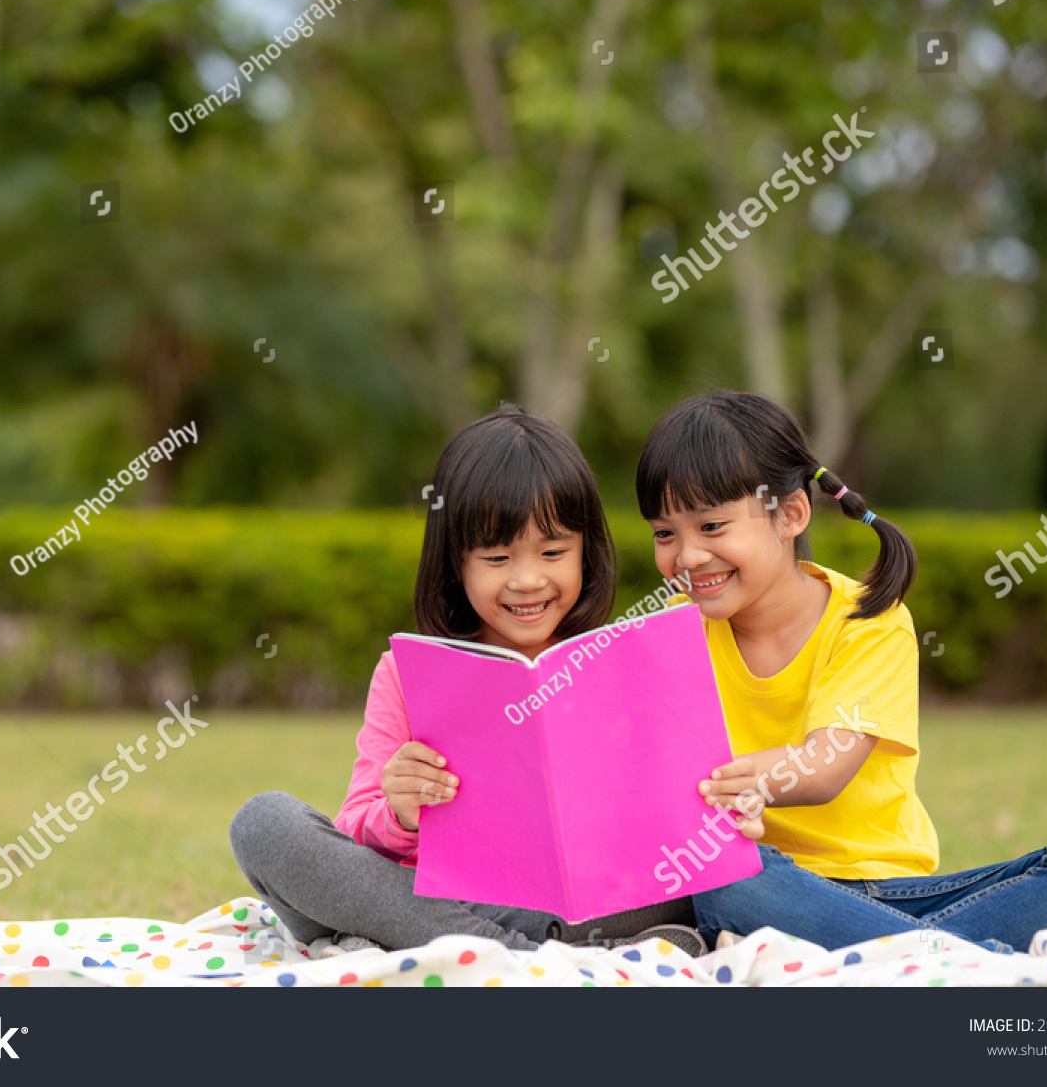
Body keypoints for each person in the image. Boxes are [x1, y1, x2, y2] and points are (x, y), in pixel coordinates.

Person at [229, 404, 762, 957]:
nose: (527, 581)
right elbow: (357, 828)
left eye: (554, 553)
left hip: (584, 905)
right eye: (497, 557)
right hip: (437, 897)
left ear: (587, 553)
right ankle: (520, 957)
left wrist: (716, 811)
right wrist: (401, 813)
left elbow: (681, 813)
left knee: (727, 879)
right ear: (456, 563)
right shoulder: (407, 674)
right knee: (266, 825)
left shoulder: (620, 661)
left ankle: (396, 944)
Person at [636, 389, 1047, 954]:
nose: (687, 556)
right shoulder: (669, 633)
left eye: (712, 527)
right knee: (728, 879)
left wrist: (724, 787)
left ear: (790, 514)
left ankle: (914, 957)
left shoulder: (868, 622)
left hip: (888, 891)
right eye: (664, 533)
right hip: (767, 884)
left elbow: (825, 765)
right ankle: (953, 962)